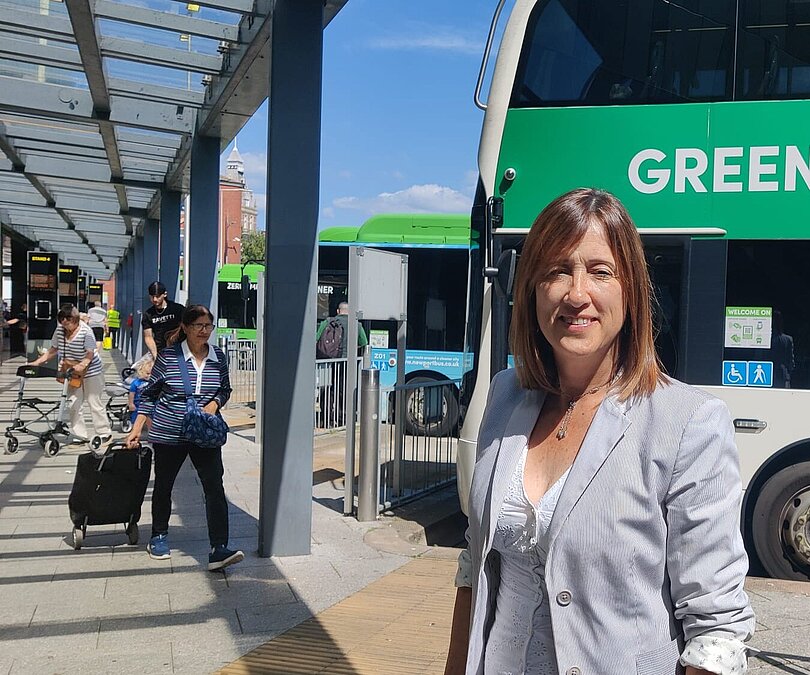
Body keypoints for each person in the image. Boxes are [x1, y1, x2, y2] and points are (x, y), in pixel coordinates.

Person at [444, 189, 754, 675]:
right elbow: (475, 563)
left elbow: (715, 630)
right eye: (556, 270)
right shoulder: (506, 394)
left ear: (630, 289)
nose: (576, 293)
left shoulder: (687, 422)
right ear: (531, 288)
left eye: (600, 271)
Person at [126, 304, 242, 571]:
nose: (204, 331)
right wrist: (136, 428)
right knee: (165, 485)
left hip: (203, 432)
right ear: (187, 328)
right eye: (199, 326)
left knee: (214, 487)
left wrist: (214, 404)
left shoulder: (219, 357)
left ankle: (219, 548)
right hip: (170, 432)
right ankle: (158, 536)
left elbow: (225, 388)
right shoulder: (168, 357)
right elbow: (150, 394)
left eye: (208, 326)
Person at [29, 304, 111, 443]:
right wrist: (36, 363)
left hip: (92, 370)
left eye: (68, 319)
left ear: (76, 318)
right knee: (74, 403)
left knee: (94, 401)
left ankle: (104, 432)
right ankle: (80, 434)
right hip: (71, 370)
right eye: (62, 319)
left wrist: (82, 364)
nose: (65, 323)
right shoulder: (60, 330)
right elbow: (53, 350)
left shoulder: (86, 331)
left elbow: (90, 353)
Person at [315, 302, 369, 428]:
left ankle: (326, 419)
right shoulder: (357, 325)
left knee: (327, 389)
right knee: (344, 390)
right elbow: (364, 341)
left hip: (328, 363)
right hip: (348, 364)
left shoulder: (328, 322)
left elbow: (317, 338)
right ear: (350, 311)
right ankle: (342, 419)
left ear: (338, 311)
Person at [142, 281, 186, 359]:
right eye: (152, 297)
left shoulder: (177, 309)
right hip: (161, 351)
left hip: (180, 349)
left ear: (164, 294)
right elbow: (148, 336)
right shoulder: (148, 314)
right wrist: (155, 355)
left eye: (158, 296)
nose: (155, 299)